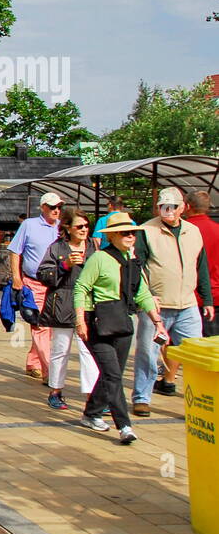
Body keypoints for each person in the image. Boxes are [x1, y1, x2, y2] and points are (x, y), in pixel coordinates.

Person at [74, 212, 169, 443]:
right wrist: (80, 321)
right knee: (113, 375)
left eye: (133, 233)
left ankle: (91, 413)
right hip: (97, 323)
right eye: (125, 233)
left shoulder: (133, 261)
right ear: (113, 236)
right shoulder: (99, 258)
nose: (130, 236)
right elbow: (81, 288)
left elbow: (142, 293)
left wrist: (158, 322)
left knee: (111, 374)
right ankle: (124, 426)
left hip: (122, 323)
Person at [130, 187, 215, 415]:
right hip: (156, 306)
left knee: (196, 354)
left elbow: (201, 266)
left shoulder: (193, 232)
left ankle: (201, 400)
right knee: (147, 353)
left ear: (183, 208)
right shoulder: (146, 230)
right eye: (162, 206)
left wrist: (206, 299)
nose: (167, 210)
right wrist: (146, 297)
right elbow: (138, 267)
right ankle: (141, 398)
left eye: (172, 206)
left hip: (187, 304)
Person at [37, 207, 99, 411]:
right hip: (63, 301)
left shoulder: (93, 246)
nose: (84, 230)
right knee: (61, 349)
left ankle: (91, 396)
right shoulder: (57, 248)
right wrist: (65, 266)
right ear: (68, 228)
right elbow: (43, 274)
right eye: (79, 226)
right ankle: (55, 391)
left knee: (88, 351)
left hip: (87, 304)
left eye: (87, 226)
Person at [9, 192, 64, 379]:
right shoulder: (29, 225)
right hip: (34, 283)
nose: (56, 210)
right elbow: (15, 251)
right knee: (40, 325)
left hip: (56, 284)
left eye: (59, 207)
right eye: (52, 207)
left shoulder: (62, 227)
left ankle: (33, 362)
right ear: (43, 207)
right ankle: (50, 373)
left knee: (49, 328)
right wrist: (16, 277)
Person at [185, 190, 219, 337]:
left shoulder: (183, 231)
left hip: (188, 298)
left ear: (187, 206)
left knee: (183, 345)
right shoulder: (217, 230)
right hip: (215, 295)